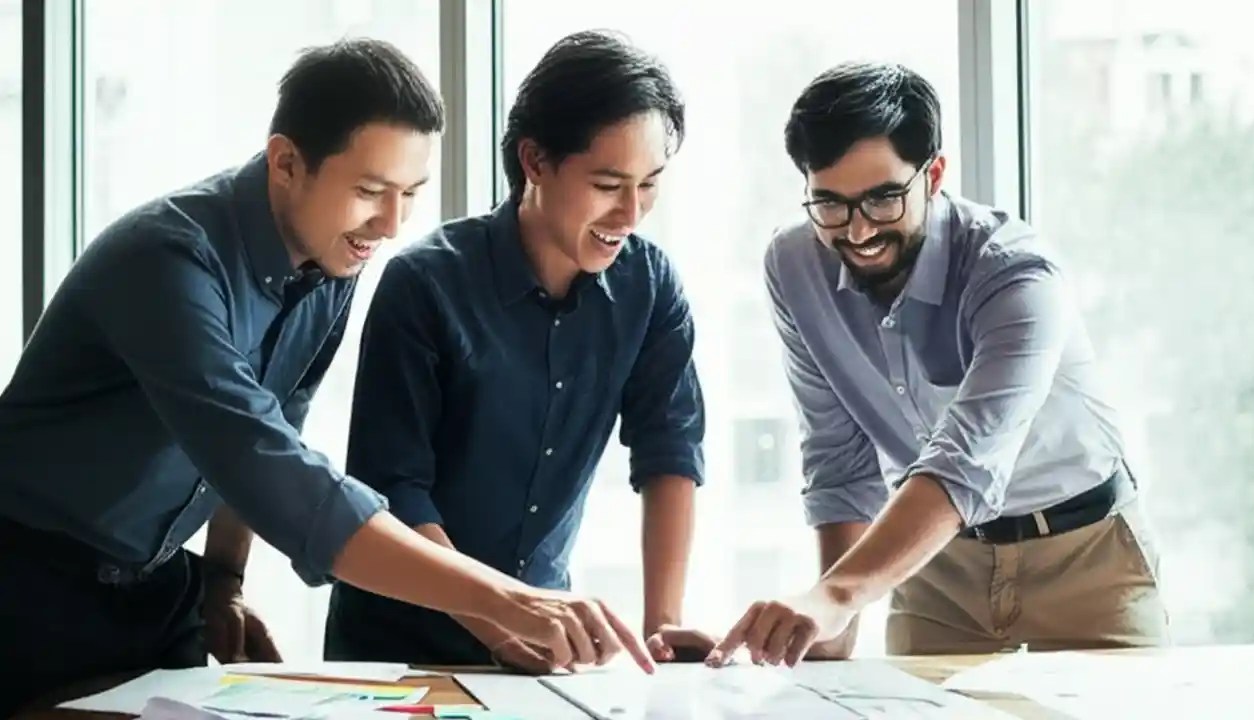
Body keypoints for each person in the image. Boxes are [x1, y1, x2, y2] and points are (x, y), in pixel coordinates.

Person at [0, 38, 649, 717]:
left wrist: (224, 580)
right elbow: (262, 461)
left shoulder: (334, 254)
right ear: (286, 162)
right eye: (370, 191)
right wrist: (504, 600)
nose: (393, 225)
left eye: (410, 194)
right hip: (30, 581)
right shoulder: (165, 261)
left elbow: (277, 420)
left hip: (156, 586)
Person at [706, 62, 1169, 668]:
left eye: (883, 198)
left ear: (935, 174)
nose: (859, 229)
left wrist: (836, 594)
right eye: (831, 204)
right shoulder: (794, 266)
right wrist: (830, 624)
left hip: (1085, 557)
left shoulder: (1015, 273)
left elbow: (965, 464)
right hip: (936, 568)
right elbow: (838, 459)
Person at [323, 30, 714, 672]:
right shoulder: (424, 284)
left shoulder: (650, 286)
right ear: (535, 161)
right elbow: (395, 488)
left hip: (543, 649)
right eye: (610, 183)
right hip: (397, 653)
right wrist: (503, 629)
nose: (631, 212)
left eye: (649, 184)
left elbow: (669, 448)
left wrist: (663, 624)